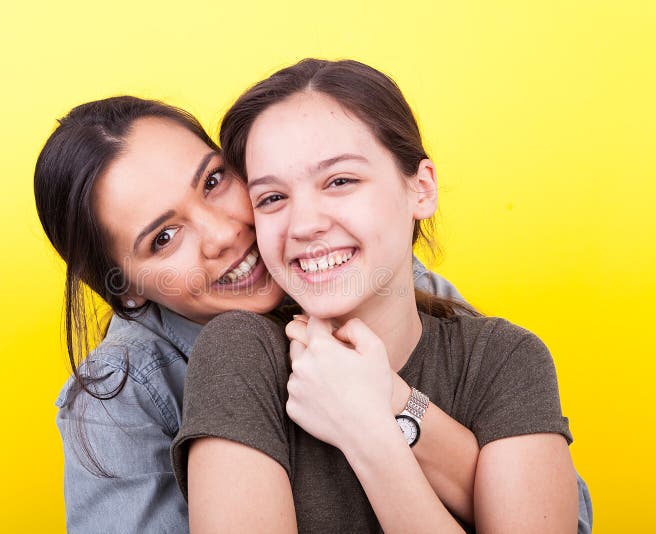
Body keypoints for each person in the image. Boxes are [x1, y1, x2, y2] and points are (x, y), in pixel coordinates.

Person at [171, 59, 592, 533]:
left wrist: (369, 427)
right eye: (272, 198)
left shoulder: (504, 359)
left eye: (340, 181)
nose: (304, 224)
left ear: (421, 189)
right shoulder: (242, 355)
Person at [34, 96, 464, 532]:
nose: (221, 233)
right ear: (126, 292)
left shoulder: (367, 271)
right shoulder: (117, 398)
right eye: (163, 238)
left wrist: (387, 406)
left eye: (213, 181)